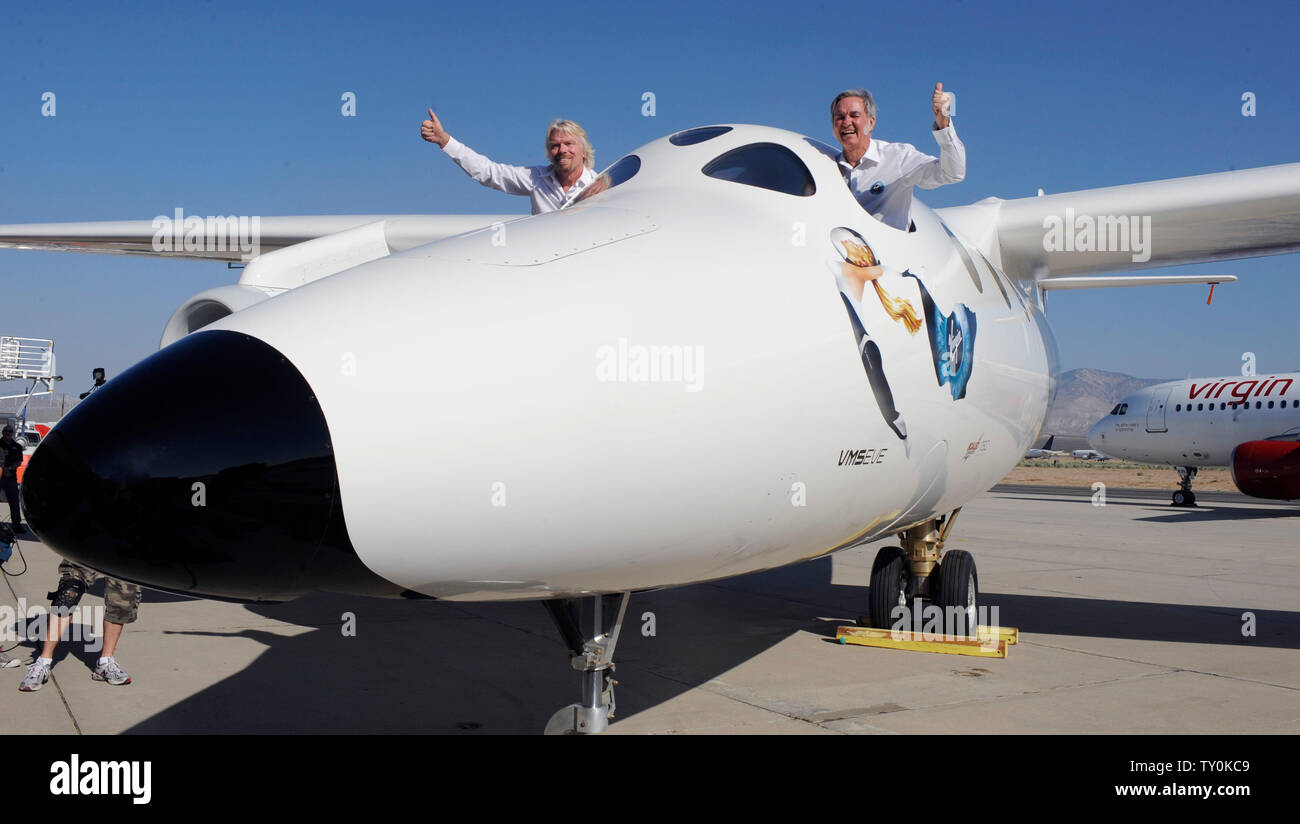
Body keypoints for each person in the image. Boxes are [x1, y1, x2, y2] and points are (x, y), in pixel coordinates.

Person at [831, 84, 965, 230]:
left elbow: (953, 173)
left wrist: (944, 125)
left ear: (870, 123)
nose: (846, 122)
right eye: (839, 117)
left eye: (854, 115)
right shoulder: (827, 166)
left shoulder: (898, 157)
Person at [421, 108, 599, 214]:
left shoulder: (600, 185)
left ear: (583, 151)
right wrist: (445, 140)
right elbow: (487, 172)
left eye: (569, 144)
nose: (562, 150)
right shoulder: (536, 178)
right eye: (555, 145)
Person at [19, 560, 141, 691]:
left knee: (122, 598)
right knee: (68, 594)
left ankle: (105, 663)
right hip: (89, 543)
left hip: (123, 549)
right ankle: (43, 662)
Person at [0, 425, 25, 536]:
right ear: (2, 432)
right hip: (0, 476)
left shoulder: (17, 447)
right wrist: (3, 468)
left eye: (10, 431)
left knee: (14, 501)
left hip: (11, 477)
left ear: (13, 433)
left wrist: (9, 469)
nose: (8, 433)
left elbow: (19, 461)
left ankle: (16, 525)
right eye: (6, 431)